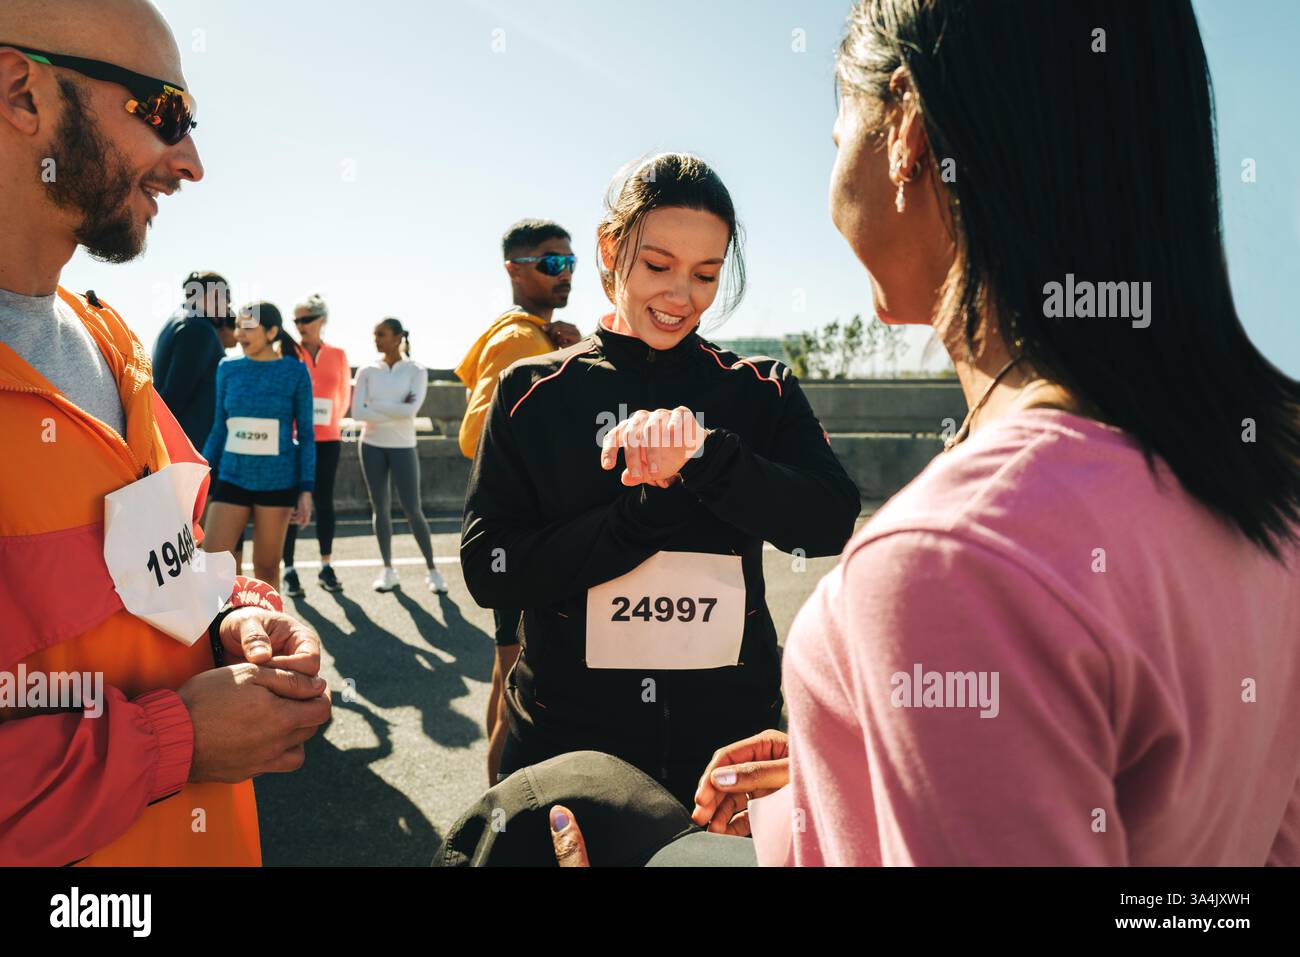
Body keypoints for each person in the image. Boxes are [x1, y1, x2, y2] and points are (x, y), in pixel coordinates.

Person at [491, 0, 1300, 867]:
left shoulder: (953, 557)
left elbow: (828, 520)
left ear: (906, 130)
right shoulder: (1268, 484)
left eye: (839, 118)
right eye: (658, 265)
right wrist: (854, 769)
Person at [0, 0, 329, 867]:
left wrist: (241, 621)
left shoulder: (110, 344)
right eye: (163, 112)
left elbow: (181, 573)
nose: (189, 161)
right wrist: (172, 740)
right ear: (20, 92)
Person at [460, 152, 862, 809]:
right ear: (610, 249)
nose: (681, 296)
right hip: (572, 754)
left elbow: (828, 521)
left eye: (706, 274)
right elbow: (490, 569)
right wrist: (639, 516)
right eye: (657, 266)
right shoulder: (532, 393)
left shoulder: (759, 390)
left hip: (729, 755)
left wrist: (707, 459)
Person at [455, 217, 581, 784]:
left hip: (525, 539)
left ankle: (496, 811)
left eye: (570, 262)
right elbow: (473, 434)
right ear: (516, 268)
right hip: (524, 541)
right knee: (518, 690)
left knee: (506, 678)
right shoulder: (516, 339)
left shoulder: (537, 335)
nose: (566, 273)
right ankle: (499, 822)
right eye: (552, 263)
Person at [201, 302, 316, 594]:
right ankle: (224, 631)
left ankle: (269, 632)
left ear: (272, 332)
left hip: (277, 483)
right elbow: (218, 428)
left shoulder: (295, 372)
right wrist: (199, 476)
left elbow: (305, 433)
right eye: (238, 326)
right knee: (214, 563)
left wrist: (306, 489)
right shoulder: (227, 368)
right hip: (232, 477)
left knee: (266, 567)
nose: (239, 333)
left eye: (248, 326)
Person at [354, 318, 445, 593]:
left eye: (381, 334)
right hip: (371, 445)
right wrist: (392, 408)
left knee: (412, 509)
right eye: (374, 334)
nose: (376, 339)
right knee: (379, 507)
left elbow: (410, 412)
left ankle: (433, 571)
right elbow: (357, 413)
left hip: (403, 446)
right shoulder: (367, 371)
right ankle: (388, 570)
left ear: (397, 337)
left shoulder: (416, 370)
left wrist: (377, 406)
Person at [281, 293, 352, 598]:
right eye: (296, 320)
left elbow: (344, 398)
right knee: (288, 503)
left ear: (322, 320)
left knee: (324, 502)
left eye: (306, 319)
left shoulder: (338, 354)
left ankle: (326, 565)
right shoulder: (287, 353)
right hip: (295, 439)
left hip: (328, 439)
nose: (300, 325)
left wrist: (330, 421)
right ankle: (289, 569)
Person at [151, 270, 235, 449]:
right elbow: (176, 393)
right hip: (189, 445)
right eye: (227, 300)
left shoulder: (178, 320)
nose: (228, 309)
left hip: (177, 441)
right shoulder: (198, 329)